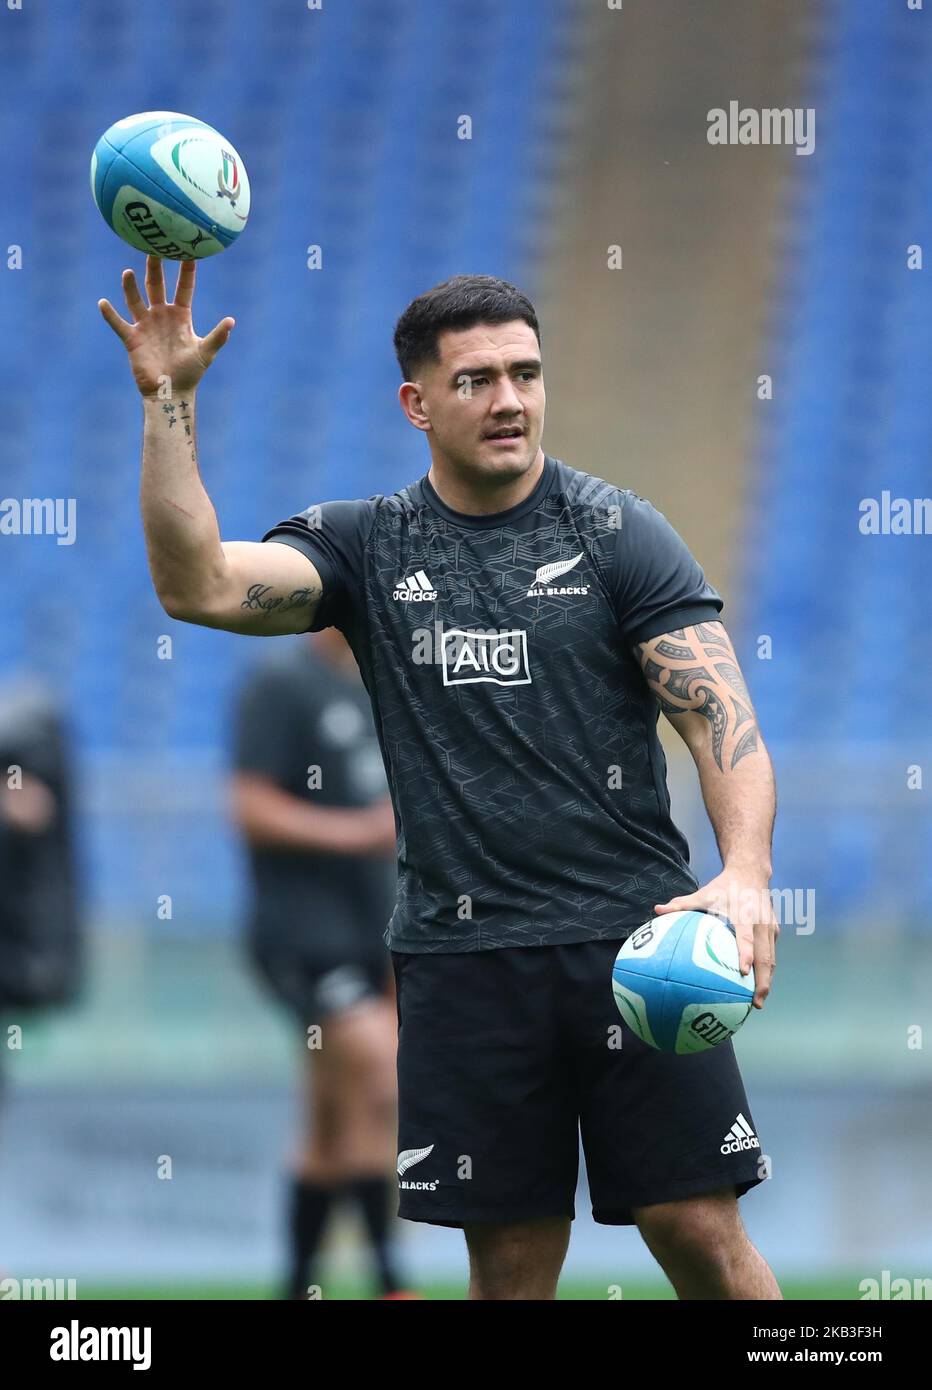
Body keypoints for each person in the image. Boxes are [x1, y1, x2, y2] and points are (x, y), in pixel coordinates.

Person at [100, 256, 781, 1301]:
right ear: (417, 403)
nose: (508, 399)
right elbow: (196, 584)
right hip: (463, 964)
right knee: (507, 1268)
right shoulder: (365, 546)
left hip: (639, 945)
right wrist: (167, 402)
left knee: (694, 1227)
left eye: (525, 372)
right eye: (475, 379)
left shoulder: (615, 532)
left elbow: (716, 711)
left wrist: (742, 869)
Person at [231, 628, 410, 1300]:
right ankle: (394, 1282)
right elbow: (247, 804)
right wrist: (358, 831)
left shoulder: (370, 689)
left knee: (333, 1123)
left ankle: (300, 1286)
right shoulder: (281, 684)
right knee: (382, 1075)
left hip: (371, 938)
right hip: (304, 938)